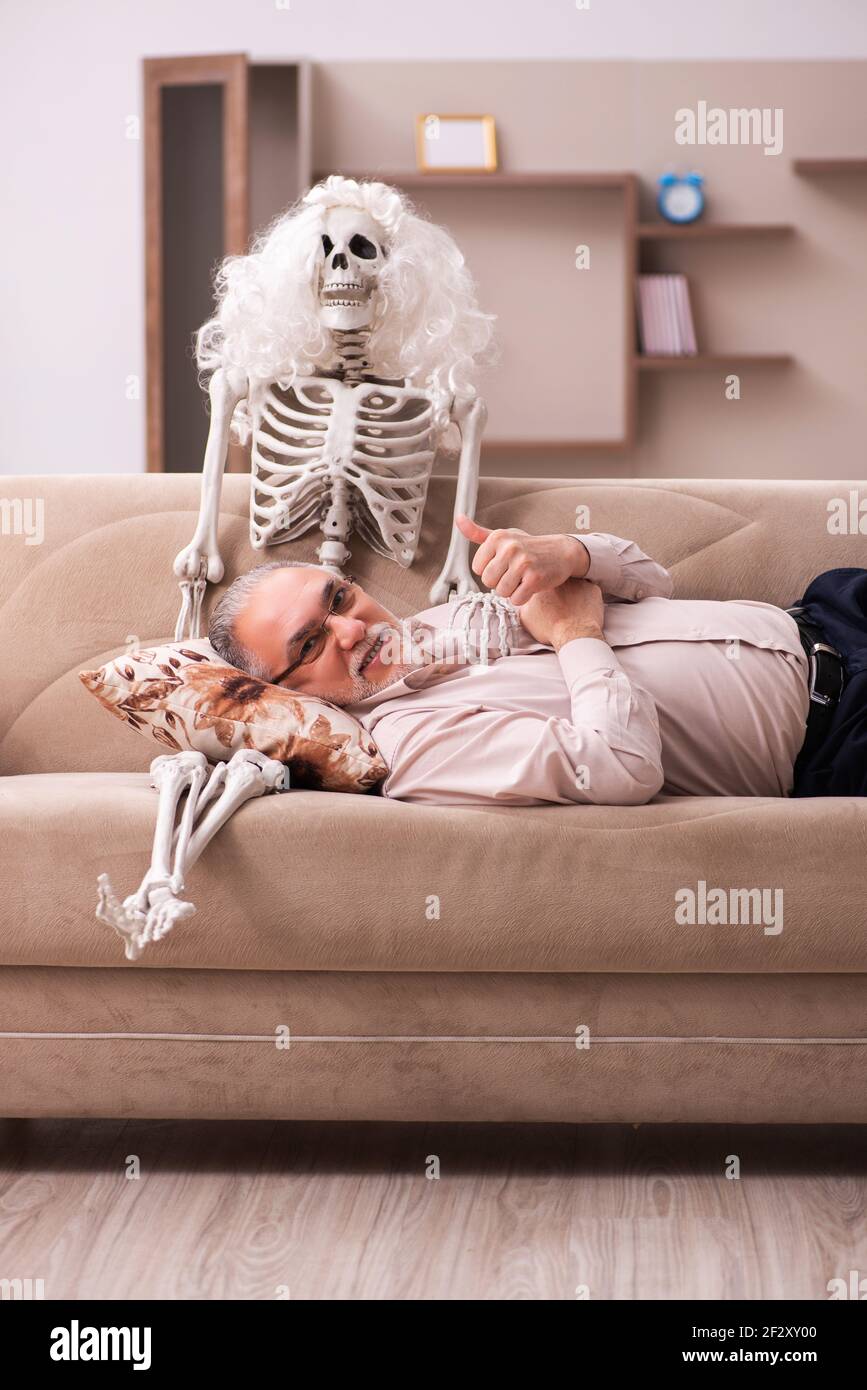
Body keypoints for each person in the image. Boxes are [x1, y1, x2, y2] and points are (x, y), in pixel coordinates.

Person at [208, 515, 854, 805]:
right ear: (292, 694)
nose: (352, 628)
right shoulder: (413, 743)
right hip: (839, 732)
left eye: (341, 598)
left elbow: (650, 581)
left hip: (828, 612)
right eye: (311, 643)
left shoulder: (436, 623)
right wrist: (575, 635)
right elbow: (620, 771)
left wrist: (569, 553)